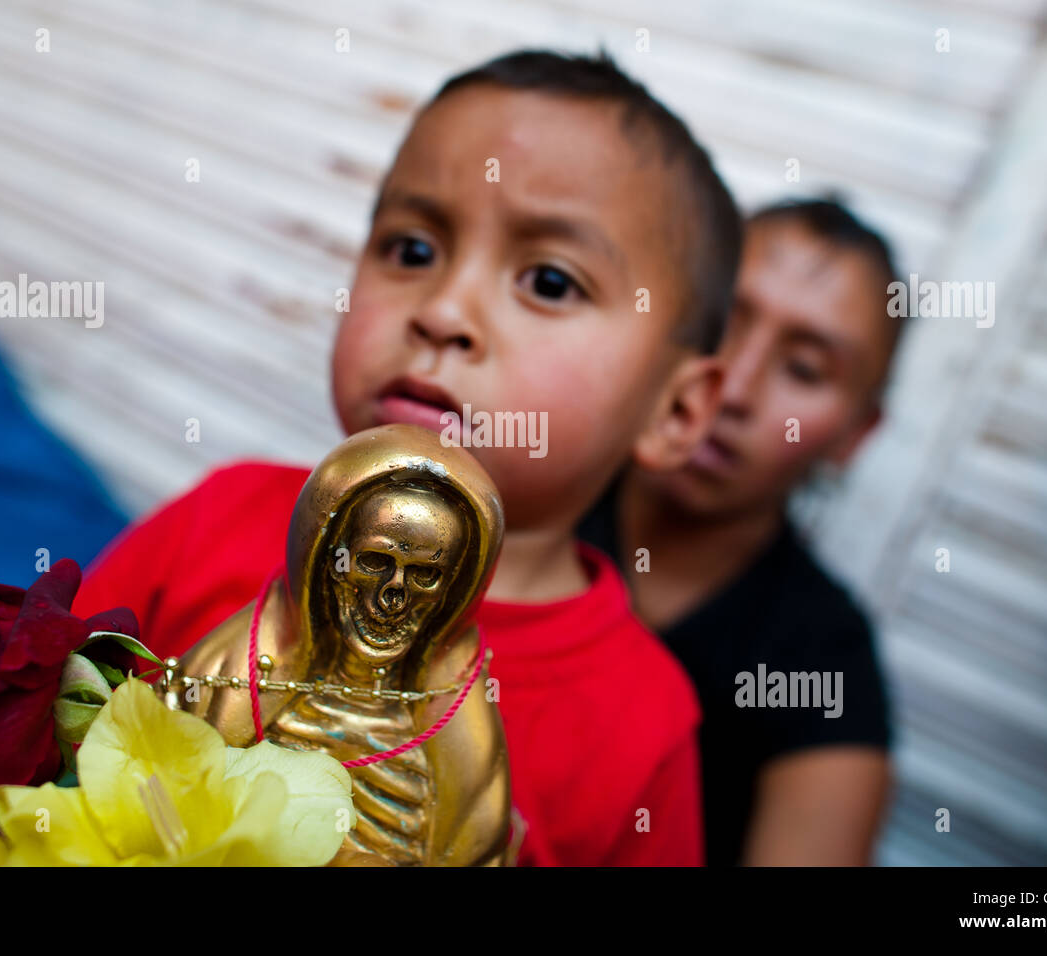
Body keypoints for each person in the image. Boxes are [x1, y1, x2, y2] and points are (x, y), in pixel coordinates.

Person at [72, 49, 742, 866]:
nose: (443, 311)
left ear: (675, 409)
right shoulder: (220, 514)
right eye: (412, 250)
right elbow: (32, 721)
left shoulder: (644, 720)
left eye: (551, 281)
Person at [579, 198, 903, 865]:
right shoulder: (533, 491)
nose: (734, 388)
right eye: (724, 322)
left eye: (806, 369)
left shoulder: (824, 660)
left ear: (855, 435)